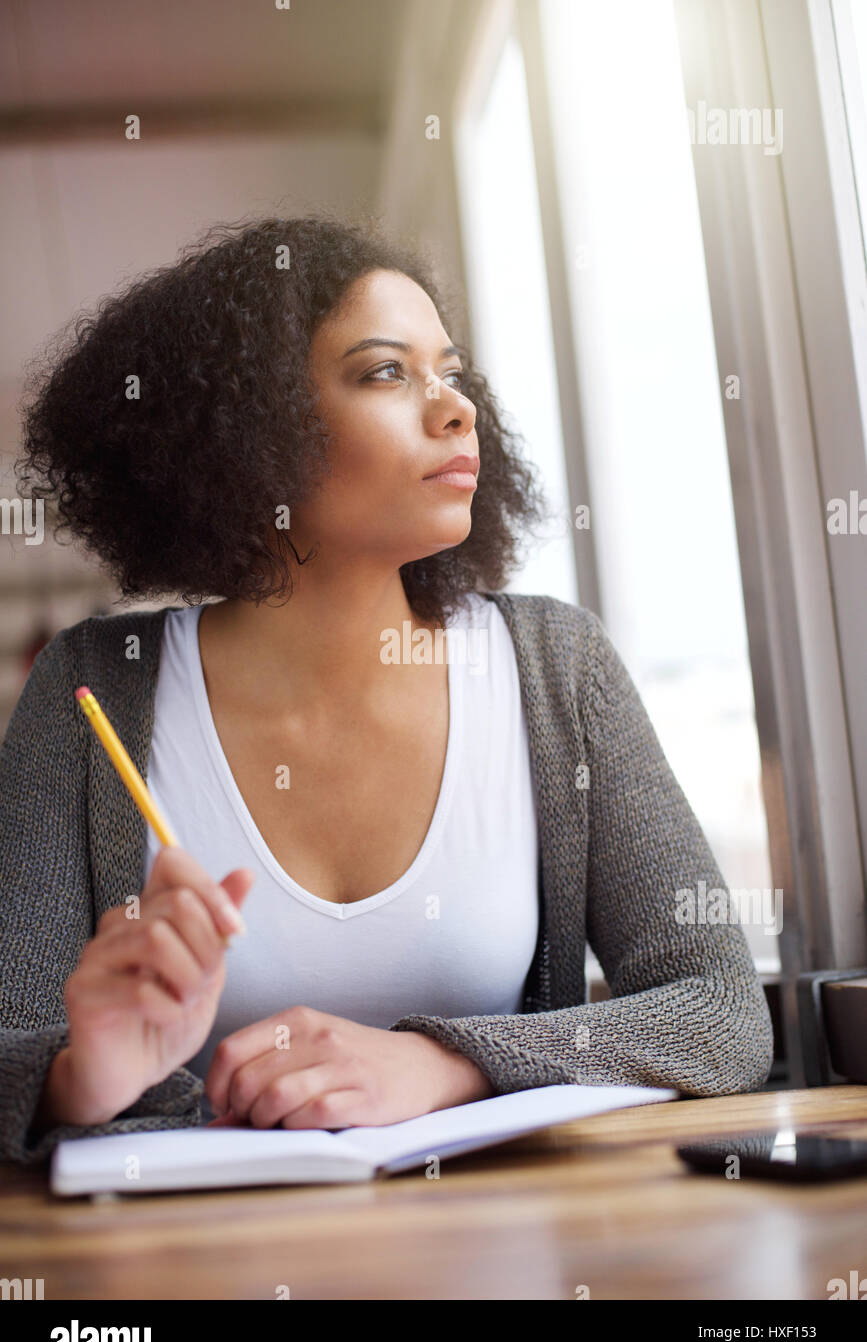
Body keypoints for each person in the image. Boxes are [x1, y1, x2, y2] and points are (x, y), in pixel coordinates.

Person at [0, 215, 774, 1165]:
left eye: (450, 372)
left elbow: (724, 1011)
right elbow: (11, 1050)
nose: (455, 410)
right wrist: (87, 1078)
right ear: (245, 430)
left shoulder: (554, 668)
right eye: (384, 373)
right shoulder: (88, 692)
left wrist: (442, 1062)